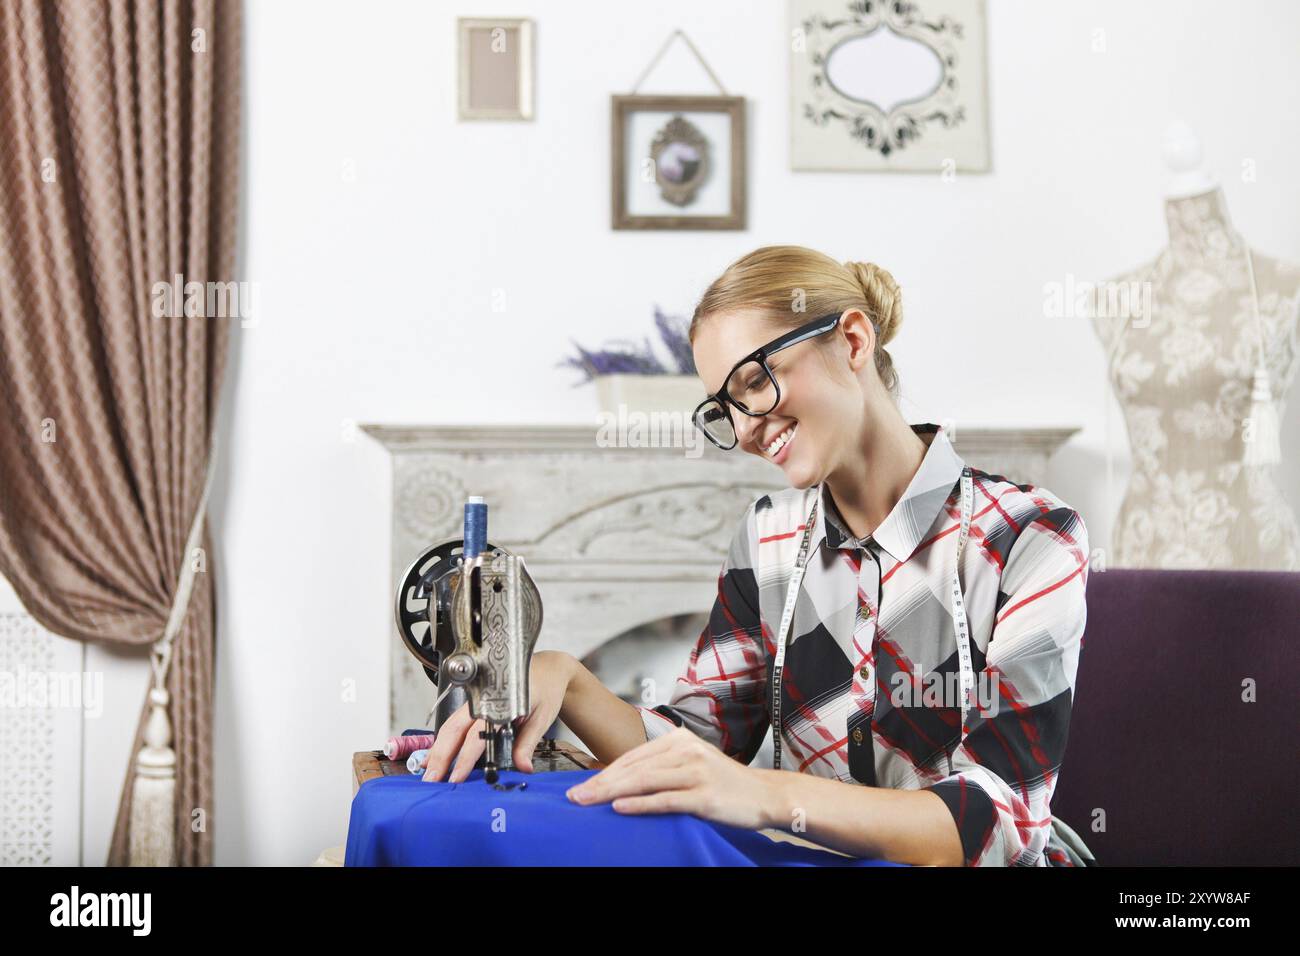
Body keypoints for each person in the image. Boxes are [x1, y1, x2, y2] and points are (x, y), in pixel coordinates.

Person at [421, 244, 1094, 867]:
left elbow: (997, 824)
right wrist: (567, 676)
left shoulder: (1029, 539)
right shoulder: (767, 539)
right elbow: (696, 748)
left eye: (754, 381)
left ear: (853, 341)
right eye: (724, 408)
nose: (744, 428)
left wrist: (763, 794)